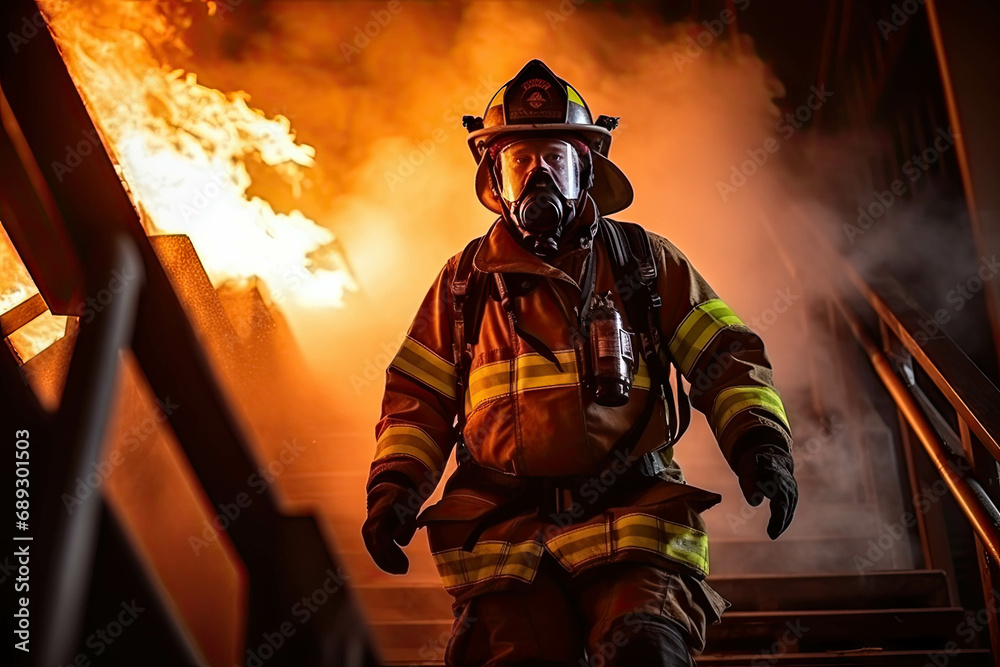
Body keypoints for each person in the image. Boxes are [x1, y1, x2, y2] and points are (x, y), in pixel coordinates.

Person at [362, 59, 797, 666]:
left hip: (634, 518)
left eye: (556, 159)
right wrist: (396, 486)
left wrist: (759, 444)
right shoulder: (464, 283)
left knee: (645, 649)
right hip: (506, 535)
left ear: (586, 170)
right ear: (496, 179)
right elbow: (418, 399)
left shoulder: (644, 262)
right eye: (520, 161)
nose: (538, 177)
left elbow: (726, 356)